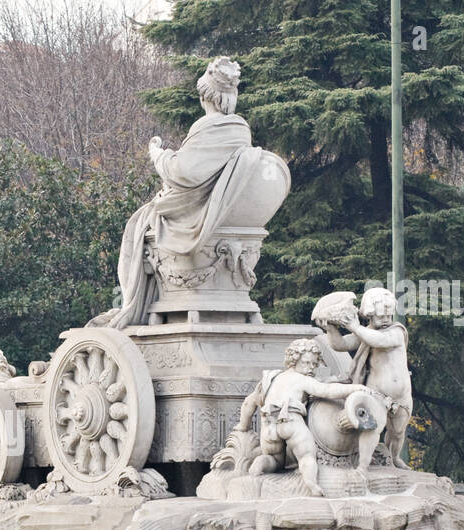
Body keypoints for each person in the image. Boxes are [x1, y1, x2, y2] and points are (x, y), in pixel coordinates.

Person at [91, 55, 266, 329]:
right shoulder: (241, 131)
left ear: (205, 97)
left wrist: (157, 154)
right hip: (223, 213)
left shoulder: (209, 127)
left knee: (138, 222)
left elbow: (181, 173)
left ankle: (133, 304)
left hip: (193, 214)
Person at [233, 340, 369, 496]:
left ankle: (258, 467)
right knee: (306, 456)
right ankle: (311, 484)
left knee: (274, 459)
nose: (310, 368)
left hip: (268, 427)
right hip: (290, 423)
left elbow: (249, 403)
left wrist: (243, 425)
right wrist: (358, 388)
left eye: (314, 364)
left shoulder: (271, 378)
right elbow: (328, 391)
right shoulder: (303, 380)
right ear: (293, 361)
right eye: (306, 363)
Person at [319, 287, 413, 468]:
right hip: (375, 394)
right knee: (373, 427)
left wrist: (355, 326)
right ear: (370, 315)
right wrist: (330, 328)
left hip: (401, 397)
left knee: (398, 432)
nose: (386, 320)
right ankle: (363, 465)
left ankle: (393, 458)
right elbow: (341, 344)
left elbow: (379, 340)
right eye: (381, 316)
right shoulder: (366, 331)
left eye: (388, 316)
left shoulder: (397, 332)